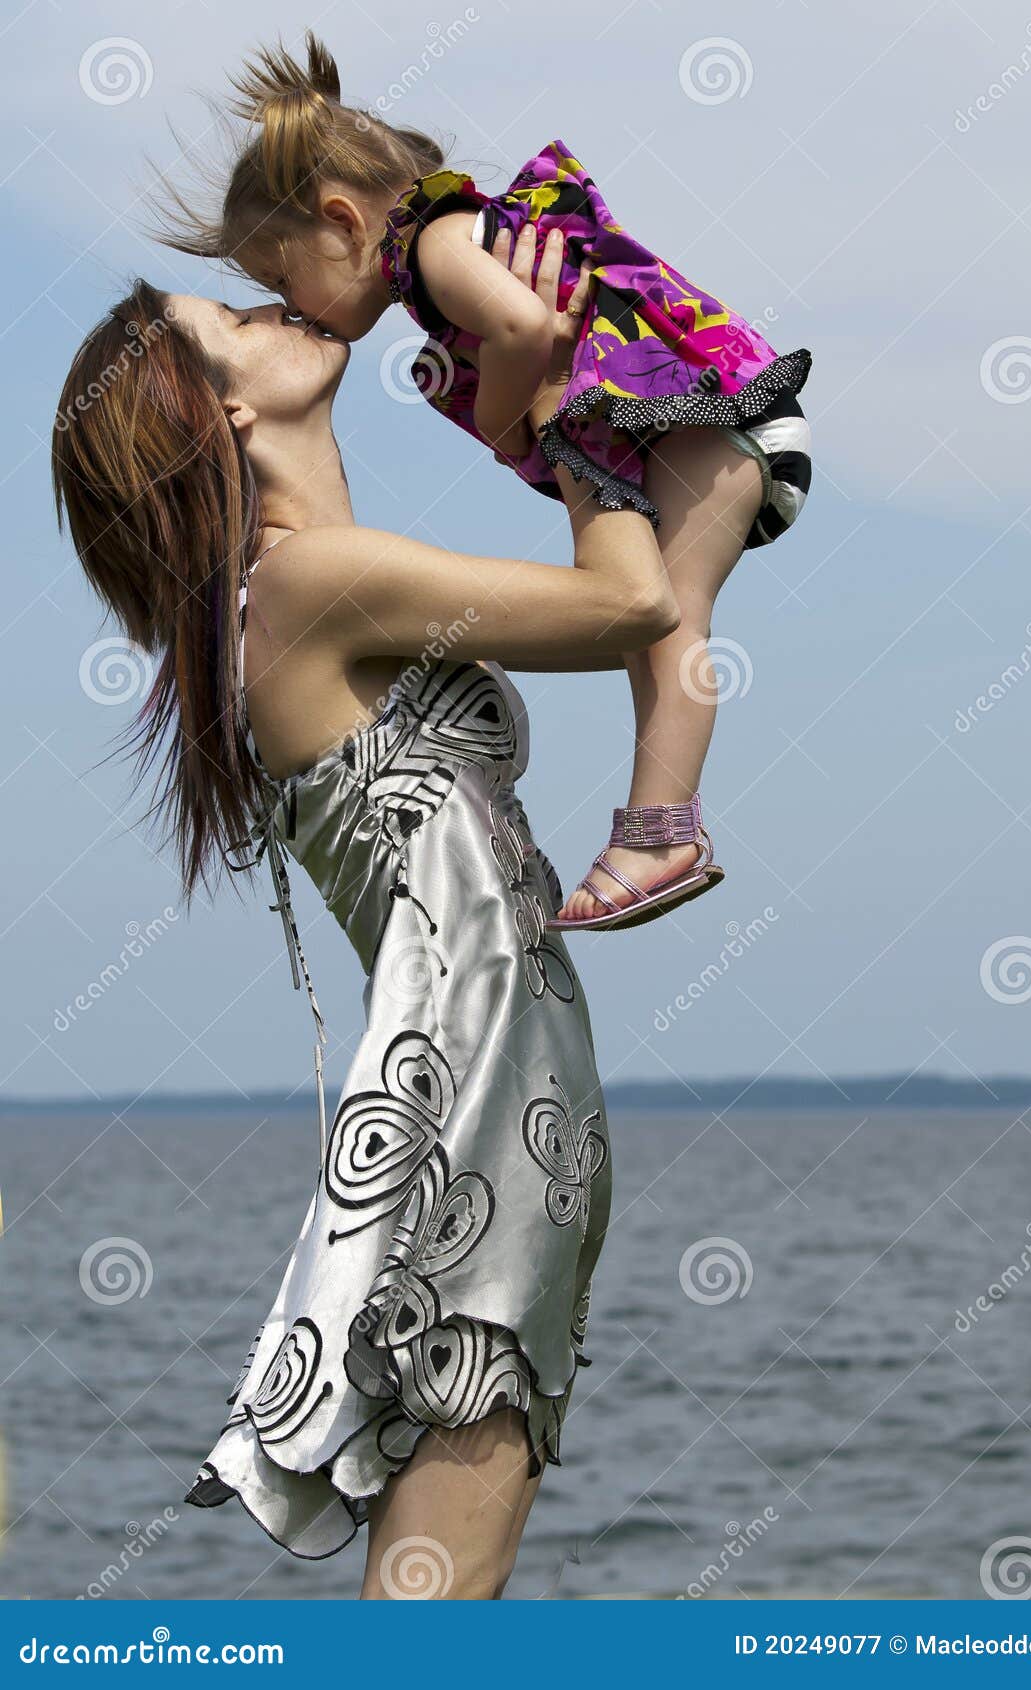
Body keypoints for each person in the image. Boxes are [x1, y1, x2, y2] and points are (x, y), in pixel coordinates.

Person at [52, 233, 677, 1596]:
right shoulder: (312, 582)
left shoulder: (289, 593)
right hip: (480, 1119)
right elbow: (633, 602)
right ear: (217, 411)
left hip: (495, 1106)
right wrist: (574, 391)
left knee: (445, 1576)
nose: (274, 304)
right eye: (231, 317)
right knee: (445, 1594)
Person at [157, 31, 814, 932]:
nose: (291, 305)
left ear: (344, 221)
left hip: (710, 420)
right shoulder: (443, 256)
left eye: (278, 275)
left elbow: (526, 330)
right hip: (702, 425)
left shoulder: (439, 245)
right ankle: (660, 827)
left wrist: (515, 418)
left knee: (666, 616)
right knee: (660, 620)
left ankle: (661, 831)